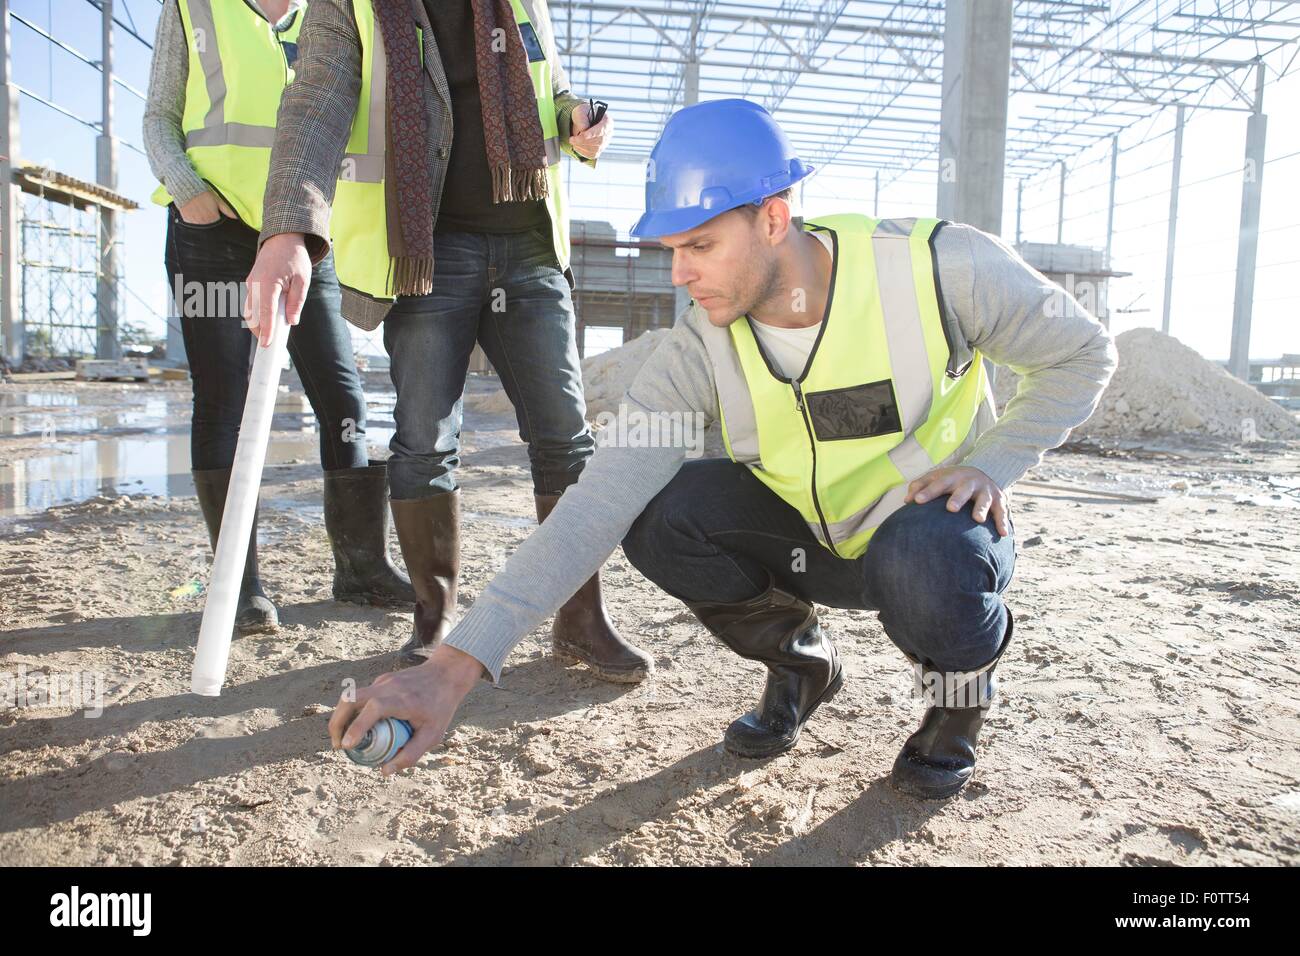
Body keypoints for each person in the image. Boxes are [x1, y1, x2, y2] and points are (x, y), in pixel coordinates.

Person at [328, 98, 1118, 800]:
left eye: (700, 246)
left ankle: (954, 719)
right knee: (660, 516)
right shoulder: (699, 347)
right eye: (672, 249)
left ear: (773, 219)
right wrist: (454, 667)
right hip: (813, 539)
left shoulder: (940, 268)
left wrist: (995, 461)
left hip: (928, 536)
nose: (680, 275)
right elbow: (597, 504)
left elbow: (1083, 354)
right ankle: (803, 663)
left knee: (933, 558)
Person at [245, 0, 651, 682]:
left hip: (527, 244)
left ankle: (581, 617)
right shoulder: (349, 7)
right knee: (425, 439)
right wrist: (288, 228)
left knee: (565, 438)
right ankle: (434, 620)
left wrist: (575, 119)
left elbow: (545, 91)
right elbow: (314, 105)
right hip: (427, 249)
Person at [144, 0, 414, 635]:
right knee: (223, 403)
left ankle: (361, 569)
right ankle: (239, 585)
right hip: (210, 231)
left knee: (342, 396)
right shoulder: (192, 8)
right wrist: (190, 192)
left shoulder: (332, 13)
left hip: (297, 233)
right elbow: (159, 116)